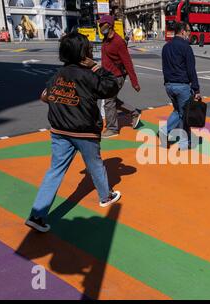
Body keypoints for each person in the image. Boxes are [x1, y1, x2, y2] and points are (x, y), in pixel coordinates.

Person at [25, 32, 121, 233]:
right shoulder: (89, 75)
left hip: (60, 130)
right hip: (84, 130)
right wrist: (96, 66)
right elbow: (111, 87)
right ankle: (105, 196)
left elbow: (45, 95)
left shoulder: (58, 75)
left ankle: (37, 214)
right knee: (95, 164)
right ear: (83, 53)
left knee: (55, 170)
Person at [159, 21, 201, 150]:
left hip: (169, 85)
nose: (189, 34)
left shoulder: (166, 47)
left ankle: (164, 131)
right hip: (182, 86)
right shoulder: (186, 47)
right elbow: (191, 70)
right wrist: (196, 89)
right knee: (185, 114)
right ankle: (184, 143)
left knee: (178, 111)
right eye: (188, 31)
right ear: (183, 31)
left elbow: (164, 67)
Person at [99, 15, 141, 138]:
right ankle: (134, 112)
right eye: (100, 25)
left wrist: (134, 82)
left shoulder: (118, 42)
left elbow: (127, 62)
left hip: (116, 76)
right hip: (107, 75)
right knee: (112, 100)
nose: (101, 27)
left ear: (110, 25)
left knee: (109, 101)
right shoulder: (105, 39)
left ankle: (112, 128)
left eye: (103, 24)